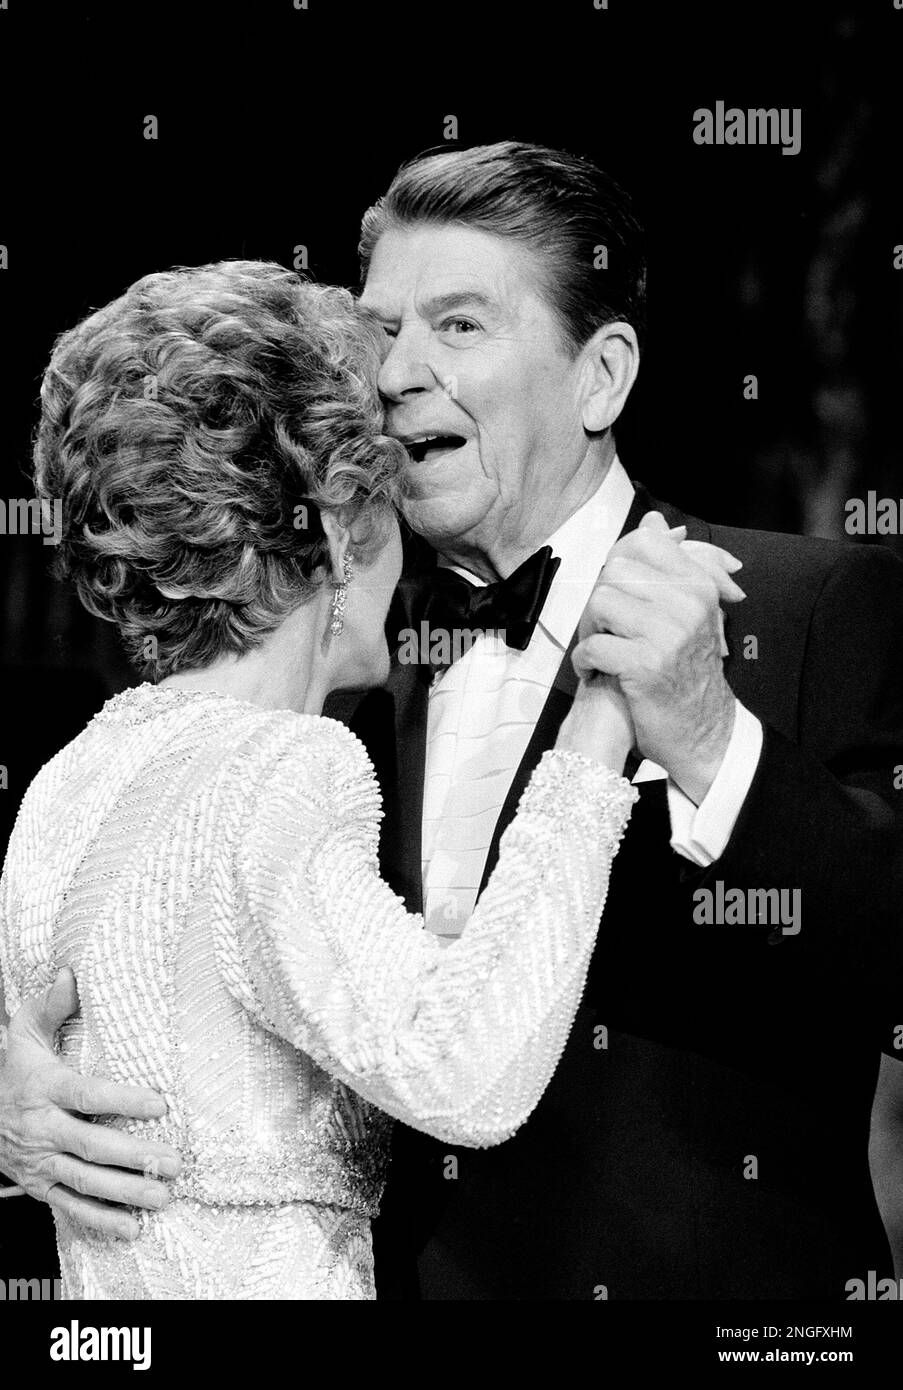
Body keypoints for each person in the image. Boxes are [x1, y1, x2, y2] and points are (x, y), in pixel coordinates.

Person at [0, 257, 740, 1299]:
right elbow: (464, 1072)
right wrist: (604, 720)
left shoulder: (67, 784)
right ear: (342, 531)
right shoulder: (285, 769)